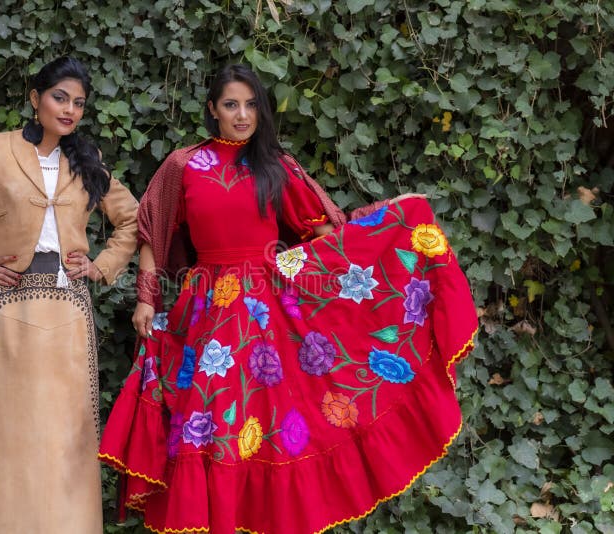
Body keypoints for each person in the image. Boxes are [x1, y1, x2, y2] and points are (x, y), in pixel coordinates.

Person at [99, 64, 478, 534]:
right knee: (213, 424)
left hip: (268, 308)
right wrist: (146, 300)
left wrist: (390, 218)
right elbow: (153, 235)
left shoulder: (273, 164)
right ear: (213, 110)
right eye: (231, 105)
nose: (242, 115)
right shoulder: (181, 166)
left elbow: (328, 235)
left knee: (274, 429)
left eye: (251, 105)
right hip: (207, 313)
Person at [0, 57, 139, 534]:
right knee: (9, 437)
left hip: (71, 314)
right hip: (12, 310)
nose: (70, 110)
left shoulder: (87, 160)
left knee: (67, 442)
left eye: (79, 103)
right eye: (60, 97)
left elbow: (134, 220)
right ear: (35, 98)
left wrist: (101, 266)